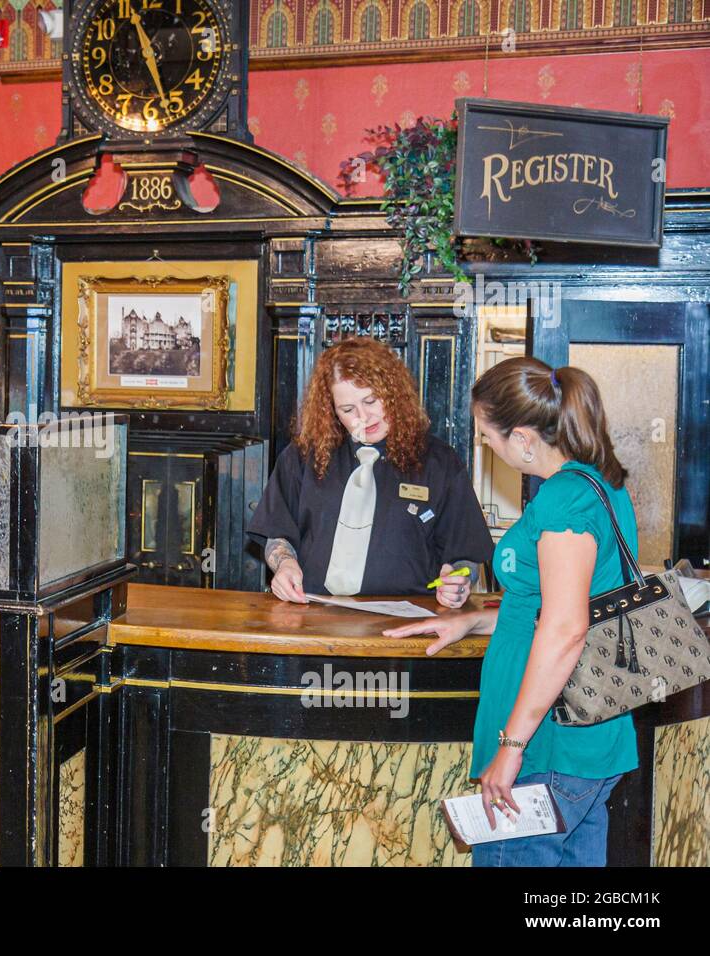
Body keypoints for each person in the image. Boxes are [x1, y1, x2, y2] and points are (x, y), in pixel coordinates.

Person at [385, 357, 639, 866]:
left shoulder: (563, 502)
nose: (485, 446)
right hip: (586, 743)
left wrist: (511, 746)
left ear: (523, 438)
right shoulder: (598, 485)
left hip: (547, 747)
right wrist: (471, 621)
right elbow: (556, 606)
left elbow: (566, 629)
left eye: (487, 435)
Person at [246, 337, 492, 606]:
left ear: (393, 393)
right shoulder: (304, 455)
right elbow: (276, 533)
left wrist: (457, 580)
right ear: (332, 412)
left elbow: (466, 555)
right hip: (313, 612)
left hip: (408, 620)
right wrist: (284, 564)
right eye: (348, 409)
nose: (363, 417)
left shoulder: (440, 463)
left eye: (372, 401)